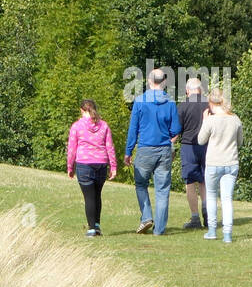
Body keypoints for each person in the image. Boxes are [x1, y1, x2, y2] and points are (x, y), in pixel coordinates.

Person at [125, 68, 181, 235]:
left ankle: (147, 217)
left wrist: (128, 151)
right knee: (162, 190)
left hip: (145, 149)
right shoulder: (170, 102)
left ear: (149, 82)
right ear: (163, 82)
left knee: (141, 184)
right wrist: (169, 139)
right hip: (164, 150)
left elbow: (133, 129)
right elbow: (176, 129)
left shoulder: (140, 101)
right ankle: (160, 229)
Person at [197, 90, 244, 243]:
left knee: (211, 196)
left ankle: (212, 230)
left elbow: (200, 140)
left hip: (213, 162)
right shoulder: (235, 119)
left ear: (211, 104)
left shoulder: (211, 120)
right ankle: (227, 233)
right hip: (231, 162)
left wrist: (205, 121)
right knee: (227, 199)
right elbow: (240, 142)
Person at [67, 99, 117, 237]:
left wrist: (70, 167)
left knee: (89, 197)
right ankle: (97, 225)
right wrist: (113, 166)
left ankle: (91, 228)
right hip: (101, 163)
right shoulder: (104, 126)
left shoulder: (77, 126)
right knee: (97, 195)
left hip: (84, 163)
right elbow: (110, 147)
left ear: (82, 111)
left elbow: (72, 149)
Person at [178, 76, 209, 229]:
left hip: (189, 145)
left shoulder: (183, 105)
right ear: (200, 90)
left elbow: (177, 129)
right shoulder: (208, 104)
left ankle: (195, 219)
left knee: (190, 182)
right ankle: (207, 214)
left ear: (187, 91)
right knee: (204, 181)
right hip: (206, 146)